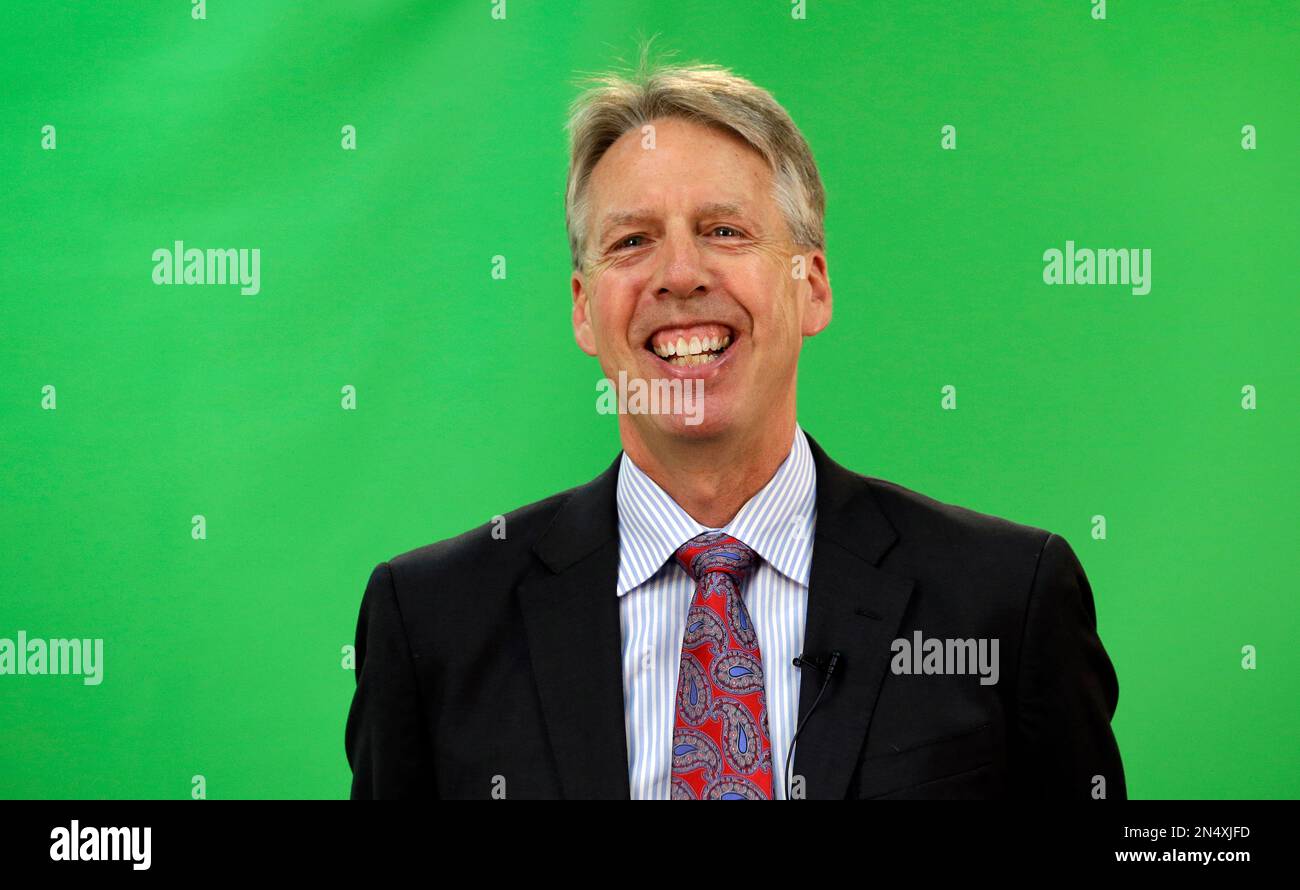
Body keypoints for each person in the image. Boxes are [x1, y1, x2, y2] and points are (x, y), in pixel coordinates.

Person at [345, 60, 1126, 800]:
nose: (679, 274)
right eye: (632, 241)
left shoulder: (1007, 601)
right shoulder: (430, 623)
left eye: (724, 231)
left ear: (812, 287)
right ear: (584, 309)